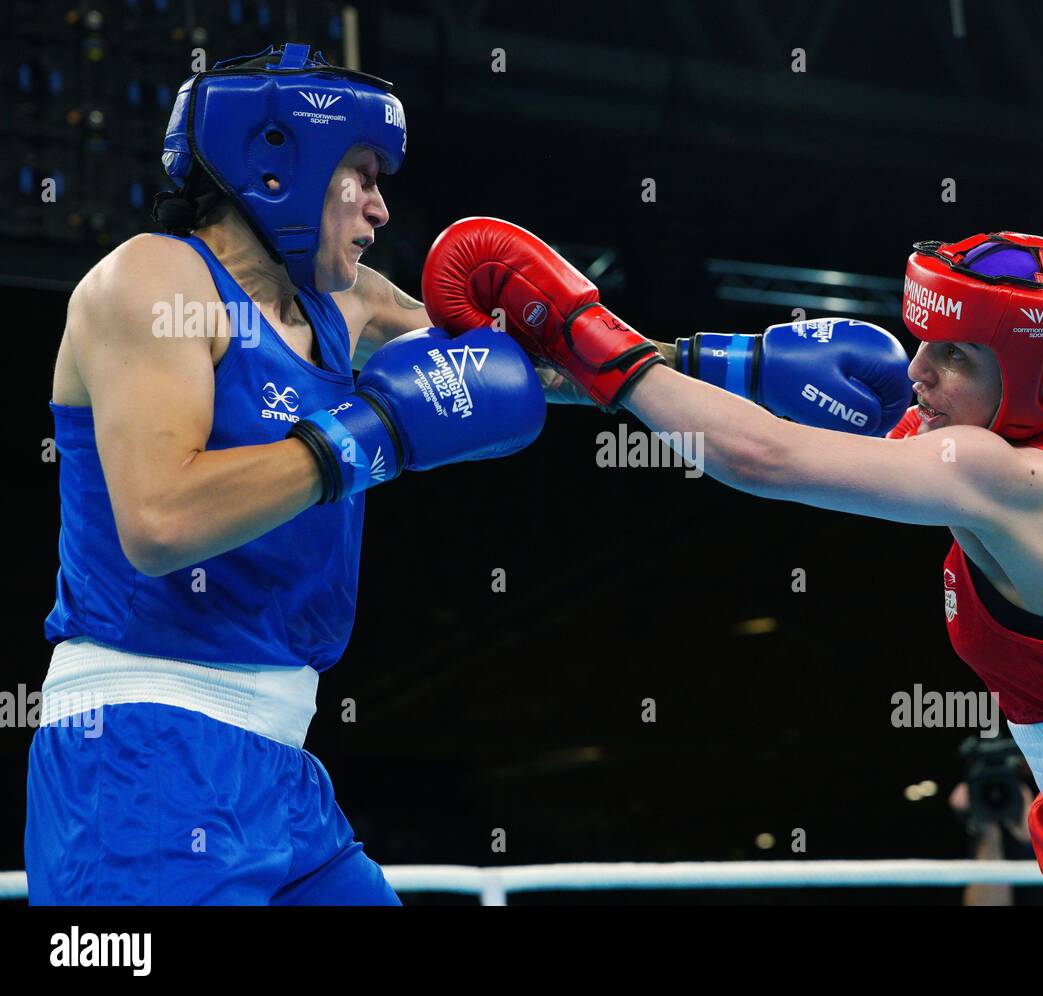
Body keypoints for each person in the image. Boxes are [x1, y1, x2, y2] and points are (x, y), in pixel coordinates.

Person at [27, 45, 911, 905]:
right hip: (139, 754)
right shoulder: (151, 281)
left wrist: (729, 369)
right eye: (362, 175)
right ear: (278, 162)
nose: (379, 209)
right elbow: (161, 523)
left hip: (279, 771)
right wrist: (369, 433)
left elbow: (523, 364)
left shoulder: (350, 300)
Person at [424, 218, 1043, 906]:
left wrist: (582, 325)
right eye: (923, 339)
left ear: (1036, 370)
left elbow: (761, 459)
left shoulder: (999, 476)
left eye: (953, 355)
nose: (917, 368)